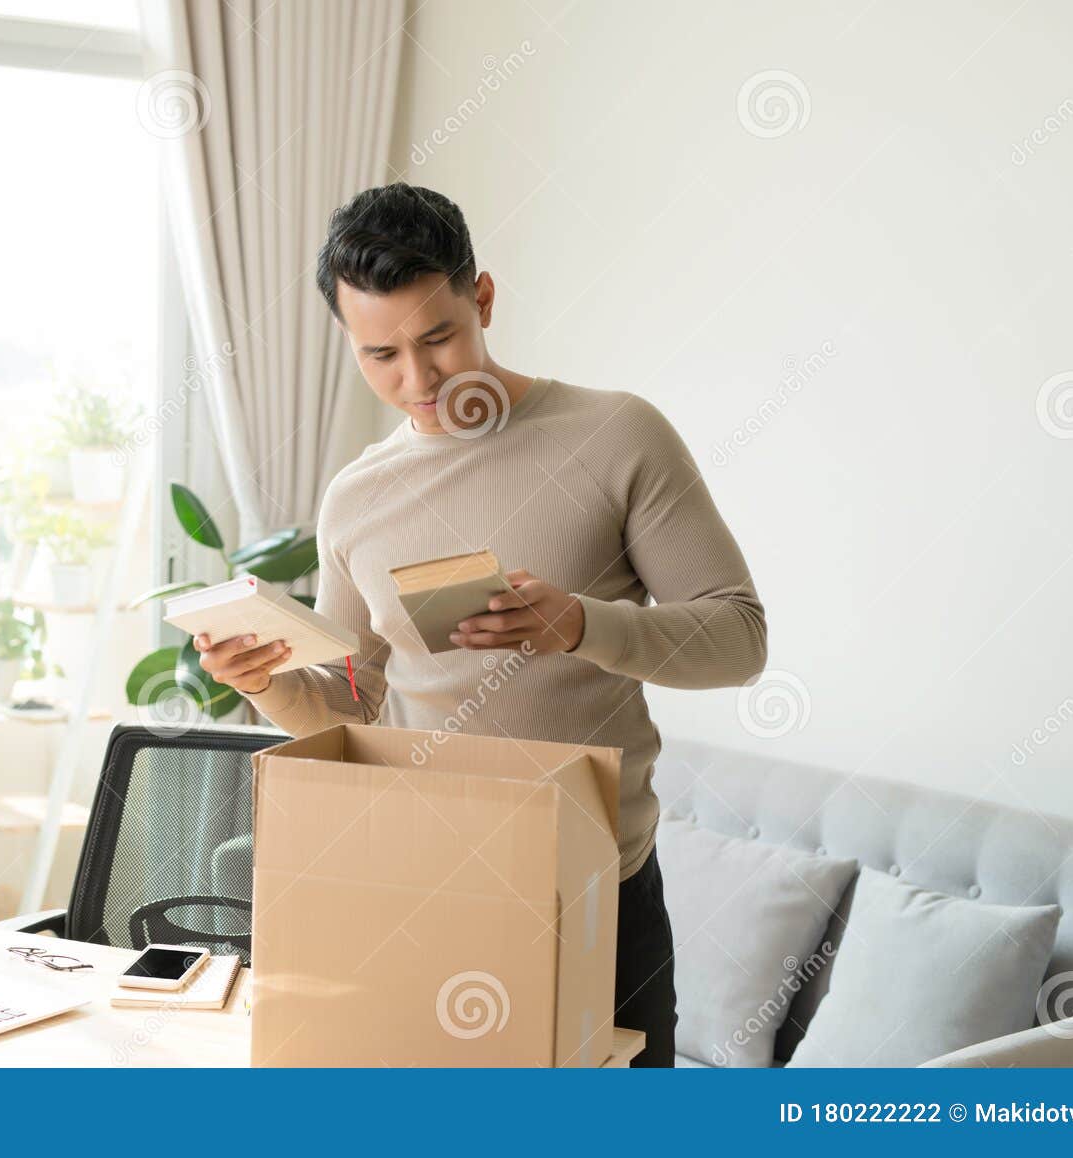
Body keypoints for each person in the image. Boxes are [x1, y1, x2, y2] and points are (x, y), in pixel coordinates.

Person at [192, 182, 768, 1066]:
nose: (417, 381)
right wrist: (263, 681)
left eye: (438, 338)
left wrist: (580, 626)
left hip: (598, 897)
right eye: (379, 354)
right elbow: (359, 705)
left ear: (482, 298)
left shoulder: (618, 435)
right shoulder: (357, 498)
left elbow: (738, 642)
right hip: (424, 890)